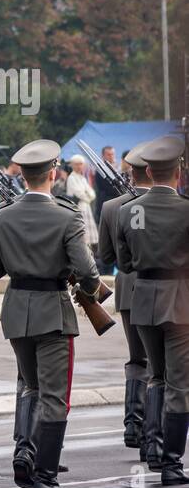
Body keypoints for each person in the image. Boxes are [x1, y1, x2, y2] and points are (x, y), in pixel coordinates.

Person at [0, 139, 103, 488]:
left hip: (18, 311)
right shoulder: (67, 217)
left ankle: (24, 450)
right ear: (53, 173)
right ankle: (45, 475)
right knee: (53, 396)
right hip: (53, 311)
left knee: (29, 387)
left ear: (22, 174)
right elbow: (90, 275)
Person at [116, 136, 189, 487]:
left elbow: (123, 261)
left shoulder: (128, 210)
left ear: (147, 171)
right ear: (179, 171)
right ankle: (172, 462)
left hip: (143, 298)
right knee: (179, 383)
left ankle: (154, 448)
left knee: (155, 375)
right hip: (179, 300)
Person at [98, 145, 150, 455]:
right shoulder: (175, 205)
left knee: (138, 358)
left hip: (128, 288)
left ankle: (133, 423)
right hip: (170, 290)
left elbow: (105, 256)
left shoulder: (111, 207)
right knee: (163, 367)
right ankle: (154, 438)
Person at [65, 155, 99, 252]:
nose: (79, 166)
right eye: (76, 164)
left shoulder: (82, 178)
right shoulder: (71, 178)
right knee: (81, 234)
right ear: (72, 165)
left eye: (81, 164)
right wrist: (88, 197)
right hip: (77, 208)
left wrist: (88, 197)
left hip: (86, 207)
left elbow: (92, 193)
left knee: (88, 237)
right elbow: (79, 193)